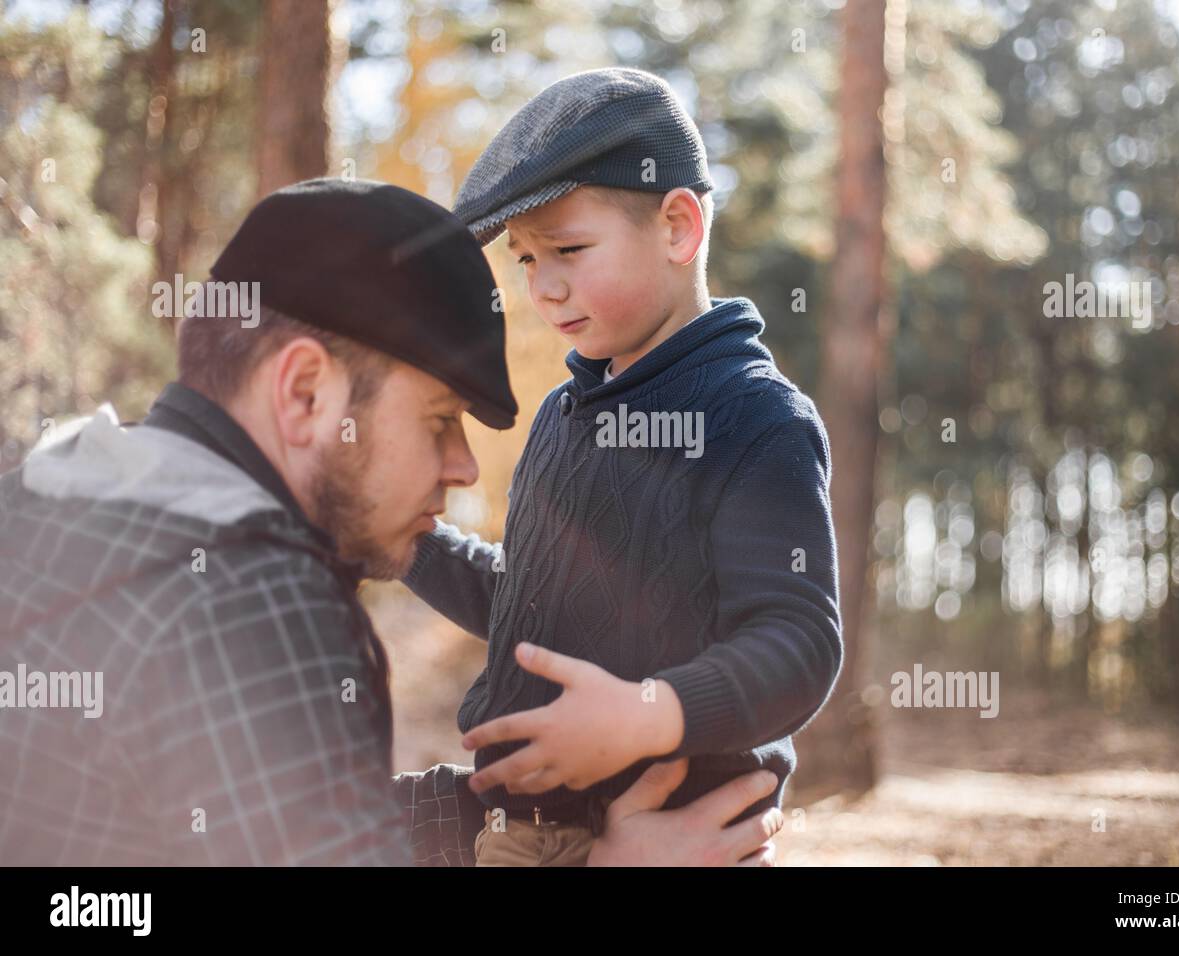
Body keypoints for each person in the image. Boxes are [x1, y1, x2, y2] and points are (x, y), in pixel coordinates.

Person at [0, 178, 781, 866]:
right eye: (440, 418)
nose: (463, 466)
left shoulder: (58, 500)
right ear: (306, 394)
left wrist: (495, 813)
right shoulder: (258, 604)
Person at [403, 68, 843, 866]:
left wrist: (649, 713)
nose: (545, 286)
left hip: (671, 827)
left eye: (569, 249)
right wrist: (406, 540)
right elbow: (532, 604)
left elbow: (799, 640)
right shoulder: (559, 418)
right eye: (527, 259)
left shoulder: (755, 418)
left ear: (678, 228)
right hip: (525, 827)